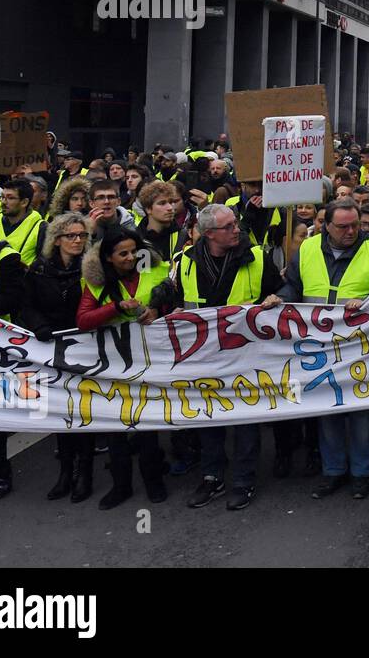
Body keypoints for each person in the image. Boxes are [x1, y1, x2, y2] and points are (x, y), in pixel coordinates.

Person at [151, 204, 284, 510]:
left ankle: (243, 479)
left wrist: (278, 298)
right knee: (208, 416)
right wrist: (162, 303)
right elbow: (172, 291)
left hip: (246, 354)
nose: (237, 229)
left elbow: (281, 291)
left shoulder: (257, 258)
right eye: (229, 227)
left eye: (236, 223)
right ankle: (212, 476)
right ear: (209, 233)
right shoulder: (183, 261)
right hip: (203, 356)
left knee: (246, 418)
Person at [275, 199, 369, 500]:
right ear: (326, 226)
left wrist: (368, 305)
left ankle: (362, 473)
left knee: (362, 412)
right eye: (342, 227)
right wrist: (279, 297)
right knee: (329, 410)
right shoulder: (308, 249)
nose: (350, 231)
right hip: (319, 347)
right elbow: (294, 288)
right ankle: (333, 471)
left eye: (355, 225)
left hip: (361, 346)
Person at [76, 224, 173, 509]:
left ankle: (154, 481)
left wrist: (157, 309)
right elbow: (82, 319)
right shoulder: (95, 281)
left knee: (148, 427)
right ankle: (121, 486)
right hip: (114, 366)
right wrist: (116, 308)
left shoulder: (155, 269)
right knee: (116, 427)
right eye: (123, 254)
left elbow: (172, 299)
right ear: (108, 257)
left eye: (134, 251)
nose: (131, 258)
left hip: (150, 361)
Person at [21, 212, 93, 503]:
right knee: (61, 411)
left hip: (86, 346)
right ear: (57, 239)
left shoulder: (93, 268)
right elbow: (26, 304)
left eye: (82, 235)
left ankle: (85, 472)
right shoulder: (39, 270)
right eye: (71, 236)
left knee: (86, 409)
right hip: (51, 348)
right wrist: (39, 326)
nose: (77, 241)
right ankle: (65, 471)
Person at [0, 179, 45, 267]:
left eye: (10, 198)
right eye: (2, 197)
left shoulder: (41, 227)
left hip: (23, 279)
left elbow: (44, 263)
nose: (3, 202)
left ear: (24, 202)